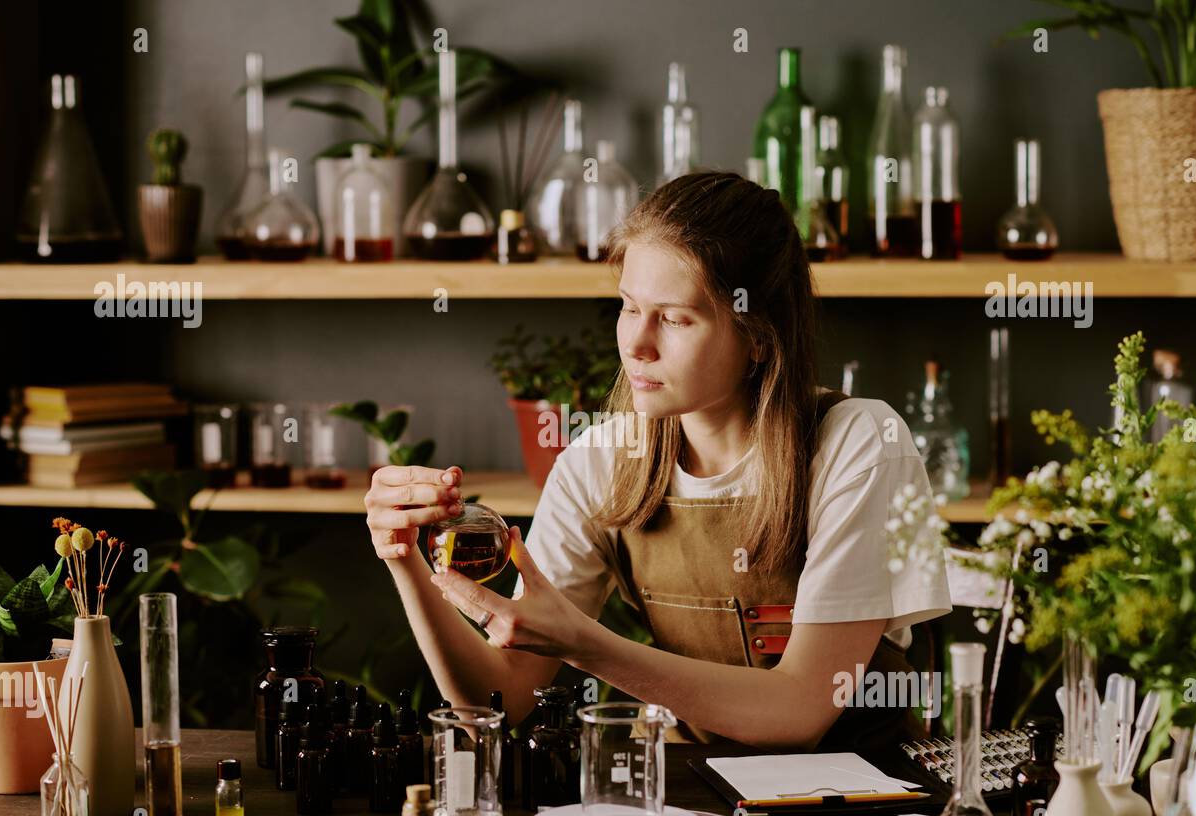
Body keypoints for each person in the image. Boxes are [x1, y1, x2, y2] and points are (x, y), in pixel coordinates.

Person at [365, 170, 951, 750]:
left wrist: (582, 643)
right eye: (628, 307)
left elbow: (800, 710)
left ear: (758, 337)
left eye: (673, 318)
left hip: (874, 808)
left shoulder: (859, 444)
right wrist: (406, 563)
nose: (636, 344)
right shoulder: (600, 463)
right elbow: (503, 701)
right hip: (703, 802)